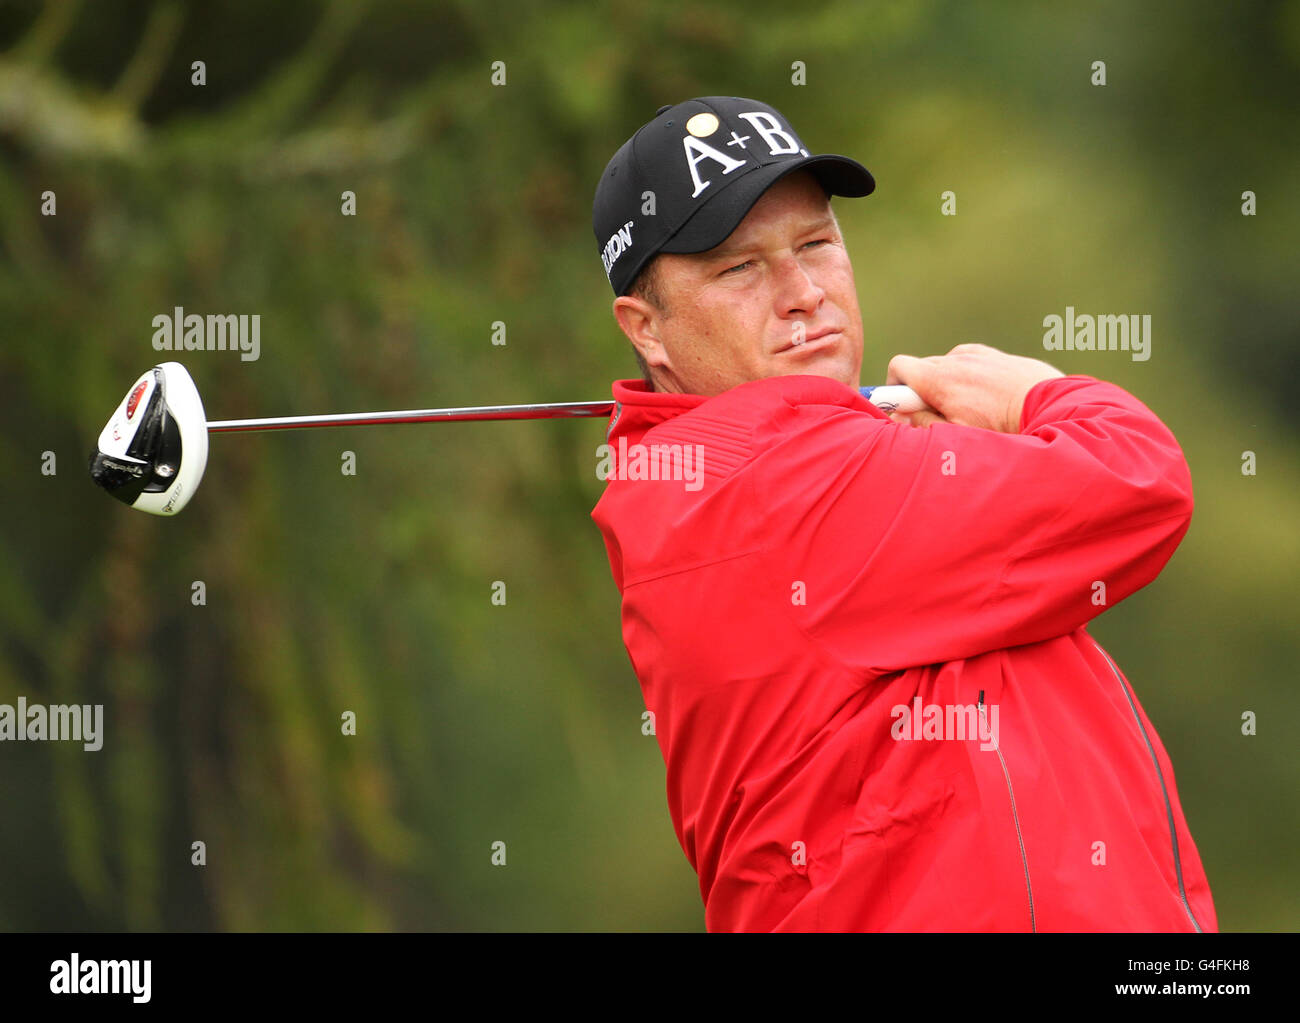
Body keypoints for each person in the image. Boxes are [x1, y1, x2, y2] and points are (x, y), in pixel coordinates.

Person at [589, 96, 1217, 932]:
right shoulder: (769, 486)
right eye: (738, 268)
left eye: (816, 243)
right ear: (647, 329)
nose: (803, 292)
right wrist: (1031, 394)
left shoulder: (744, 471)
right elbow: (1138, 481)